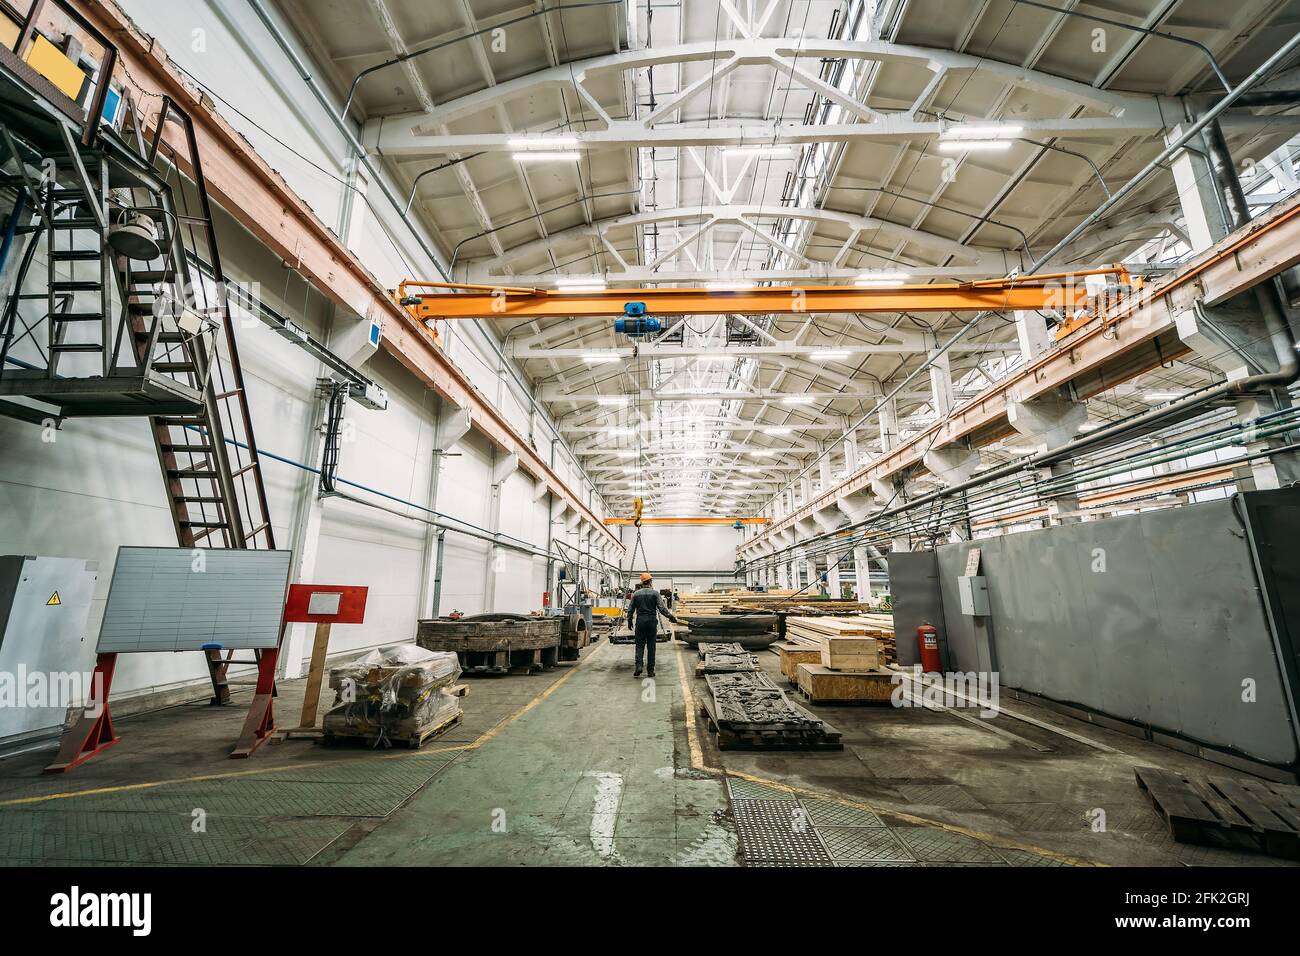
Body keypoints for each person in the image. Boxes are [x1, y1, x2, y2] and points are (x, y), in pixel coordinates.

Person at [626, 572, 679, 678]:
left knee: (639, 644)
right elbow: (662, 608)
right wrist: (671, 617)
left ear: (642, 582)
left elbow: (630, 609)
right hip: (651, 621)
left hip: (640, 621)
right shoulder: (655, 594)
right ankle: (650, 670)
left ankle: (639, 667)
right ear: (650, 581)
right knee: (651, 646)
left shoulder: (635, 594)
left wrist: (629, 621)